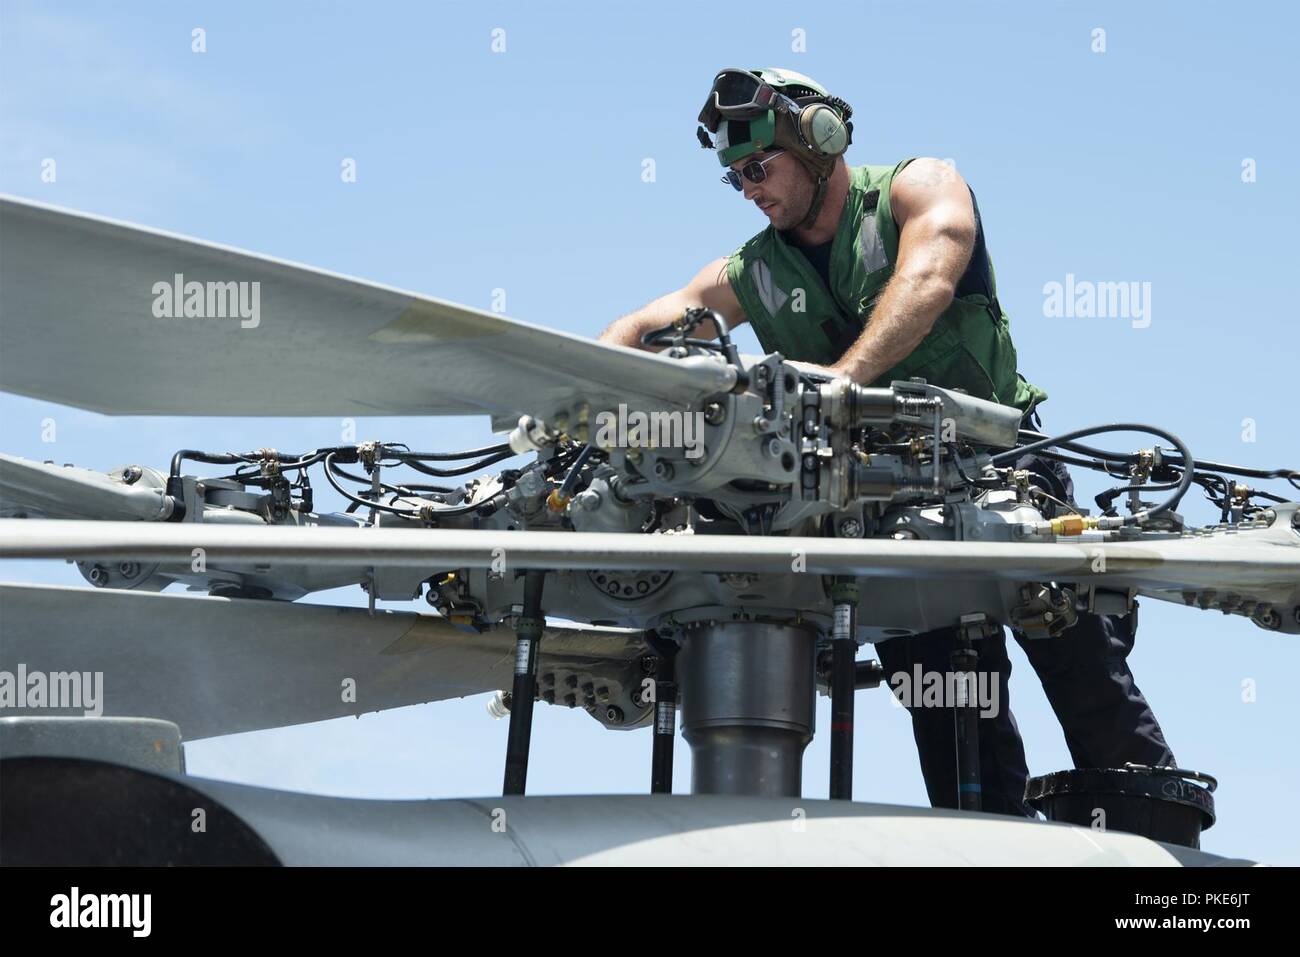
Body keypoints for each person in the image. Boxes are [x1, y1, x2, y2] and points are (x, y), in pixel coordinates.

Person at [600, 67, 1175, 815]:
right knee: (952, 725)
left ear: (819, 142)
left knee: (1091, 687)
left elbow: (930, 276)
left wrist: (843, 381)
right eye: (733, 177)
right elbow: (650, 322)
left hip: (1007, 479)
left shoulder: (917, 189)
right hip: (883, 511)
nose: (747, 188)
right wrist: (590, 389)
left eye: (757, 167)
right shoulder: (755, 270)